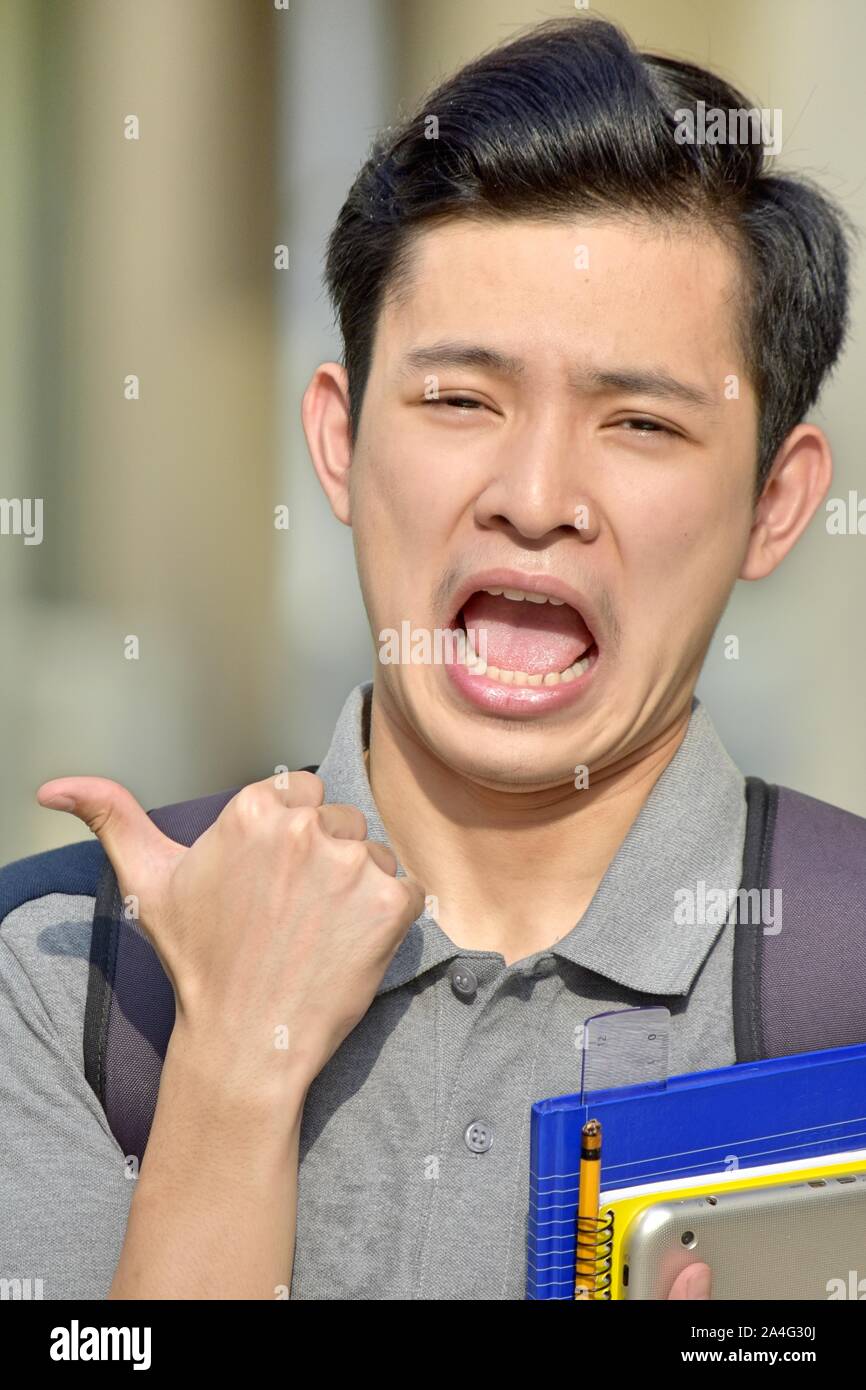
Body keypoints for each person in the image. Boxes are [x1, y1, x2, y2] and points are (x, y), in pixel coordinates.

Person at [0, 15, 855, 1301]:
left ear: (773, 504)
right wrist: (234, 1064)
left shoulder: (839, 983)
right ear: (339, 443)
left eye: (637, 421)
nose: (533, 492)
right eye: (459, 399)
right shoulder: (67, 976)